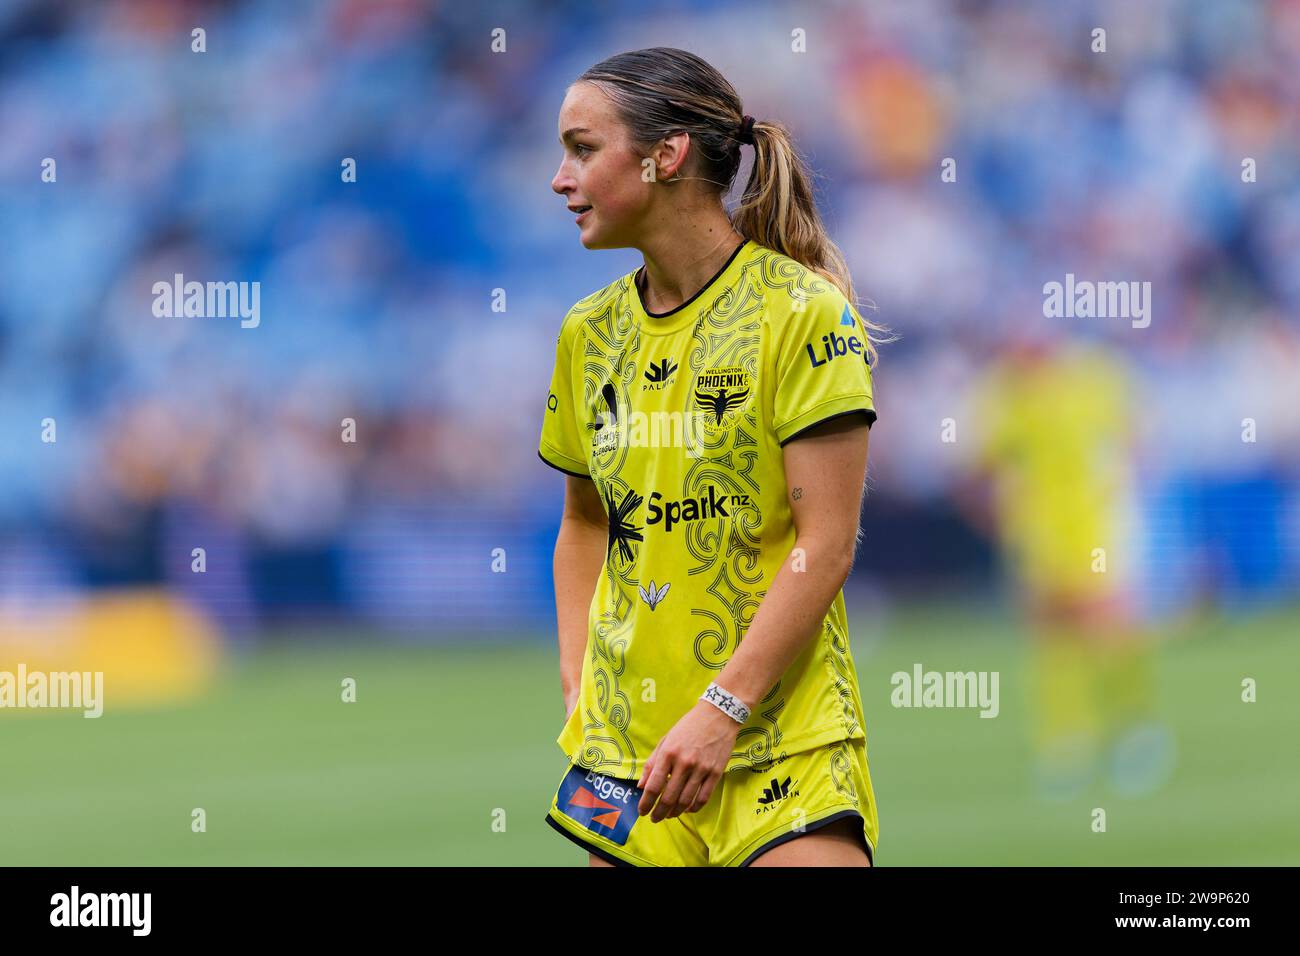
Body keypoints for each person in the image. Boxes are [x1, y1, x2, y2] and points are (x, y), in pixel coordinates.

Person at [538, 47, 890, 867]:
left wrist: (722, 710)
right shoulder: (586, 334)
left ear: (667, 156)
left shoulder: (802, 313)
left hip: (781, 742)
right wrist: (579, 684)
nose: (560, 178)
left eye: (583, 149)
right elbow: (585, 524)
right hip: (629, 764)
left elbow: (826, 544)